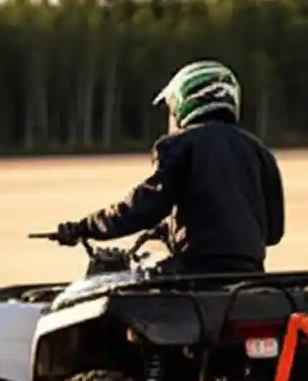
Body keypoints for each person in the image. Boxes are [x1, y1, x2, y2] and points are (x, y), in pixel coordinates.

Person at [50, 60, 284, 274]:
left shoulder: (178, 145)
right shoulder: (260, 152)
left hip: (195, 271)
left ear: (186, 102)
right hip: (250, 272)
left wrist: (85, 227)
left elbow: (145, 207)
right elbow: (273, 232)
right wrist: (171, 229)